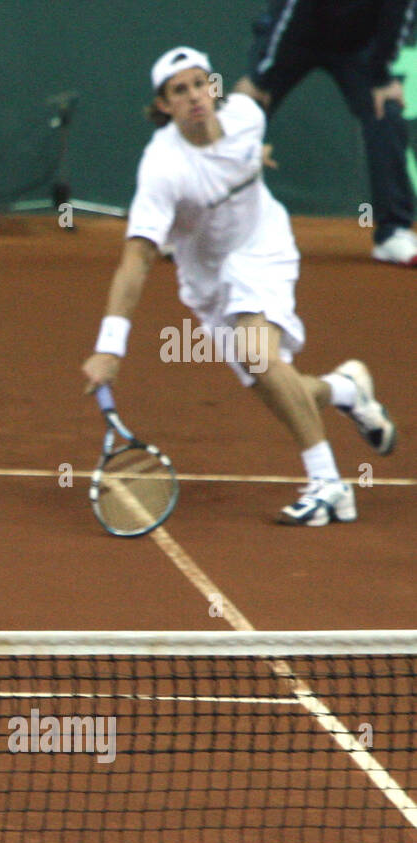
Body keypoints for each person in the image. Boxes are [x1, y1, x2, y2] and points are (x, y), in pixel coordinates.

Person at [81, 47, 397, 526]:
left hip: (264, 249)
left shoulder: (247, 115)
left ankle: (329, 486)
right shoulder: (163, 169)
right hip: (208, 283)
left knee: (257, 356)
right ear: (163, 105)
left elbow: (244, 152)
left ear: (214, 86)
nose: (193, 97)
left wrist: (256, 157)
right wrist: (110, 347)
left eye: (199, 84)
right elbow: (137, 261)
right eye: (178, 90)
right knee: (280, 388)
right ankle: (345, 389)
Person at [235, 0, 417, 265]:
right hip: (294, 36)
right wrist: (261, 78)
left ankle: (393, 232)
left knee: (385, 113)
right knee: (244, 110)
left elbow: (398, 14)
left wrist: (381, 77)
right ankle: (198, 223)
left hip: (357, 46)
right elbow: (290, 11)